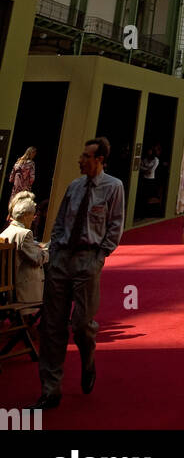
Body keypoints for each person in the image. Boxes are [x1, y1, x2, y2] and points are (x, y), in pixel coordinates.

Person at [34, 136, 124, 410]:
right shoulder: (74, 186)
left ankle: (88, 360)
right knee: (52, 326)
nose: (80, 160)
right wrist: (56, 249)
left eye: (86, 156)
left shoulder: (113, 187)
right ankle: (51, 389)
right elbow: (60, 219)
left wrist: (100, 255)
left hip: (88, 259)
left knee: (82, 324)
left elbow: (116, 223)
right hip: (62, 257)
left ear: (100, 160)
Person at [1, 191, 48, 313]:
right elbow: (37, 259)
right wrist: (49, 249)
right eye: (33, 214)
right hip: (22, 290)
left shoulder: (7, 231)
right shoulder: (25, 233)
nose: (34, 217)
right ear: (26, 216)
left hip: (9, 287)